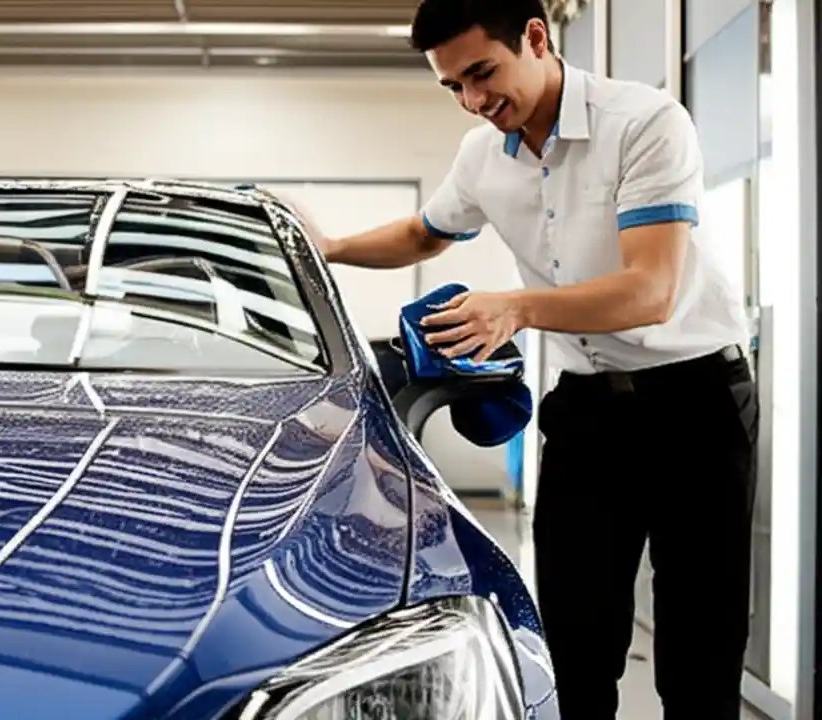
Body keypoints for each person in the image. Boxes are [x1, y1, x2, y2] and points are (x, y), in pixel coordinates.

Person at [300, 1, 760, 718]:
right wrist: (326, 249)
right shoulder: (482, 155)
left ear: (537, 38)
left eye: (482, 73)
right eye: (453, 87)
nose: (474, 101)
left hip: (694, 401)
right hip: (586, 410)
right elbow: (423, 235)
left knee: (700, 644)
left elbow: (651, 291)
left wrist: (514, 306)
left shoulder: (643, 123)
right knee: (575, 637)